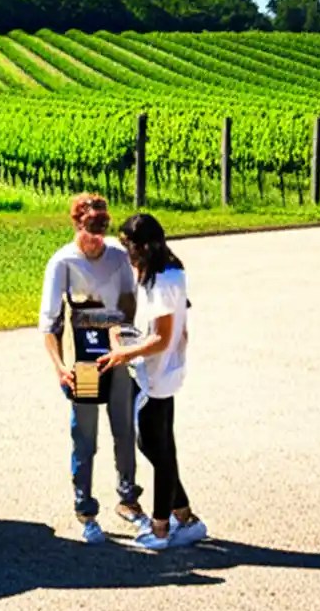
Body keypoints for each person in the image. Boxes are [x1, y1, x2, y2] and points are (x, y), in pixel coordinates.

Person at [39, 193, 147, 544]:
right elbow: (50, 324)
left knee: (124, 431)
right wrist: (58, 368)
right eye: (91, 227)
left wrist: (123, 337)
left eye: (103, 225)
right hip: (83, 363)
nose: (98, 235)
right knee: (84, 437)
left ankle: (128, 500)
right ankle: (85, 510)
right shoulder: (62, 263)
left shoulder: (117, 255)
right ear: (76, 223)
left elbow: (129, 300)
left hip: (115, 357)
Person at [96, 213, 207, 550]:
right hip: (159, 370)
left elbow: (162, 338)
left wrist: (121, 355)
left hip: (156, 376)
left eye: (128, 246)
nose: (126, 252)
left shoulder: (163, 280)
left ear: (144, 246)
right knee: (159, 446)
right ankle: (185, 517)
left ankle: (161, 528)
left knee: (157, 450)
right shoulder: (161, 271)